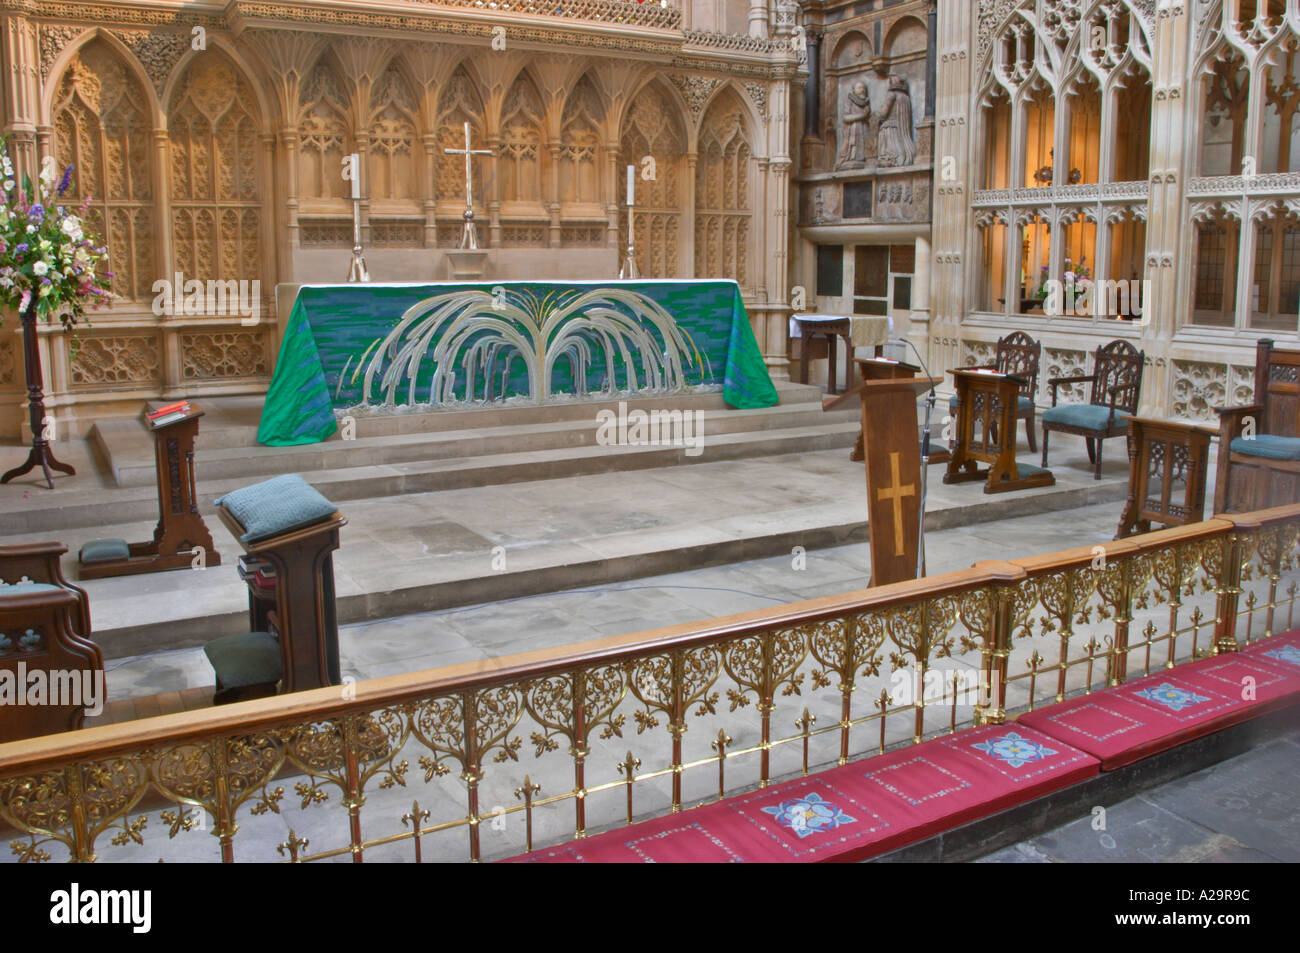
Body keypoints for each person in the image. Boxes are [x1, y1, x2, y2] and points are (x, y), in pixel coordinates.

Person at [877, 74, 916, 167]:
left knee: (889, 151)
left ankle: (889, 158)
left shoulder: (891, 94)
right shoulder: (906, 97)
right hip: (902, 130)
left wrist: (879, 114)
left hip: (890, 128)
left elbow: (883, 113)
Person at [836, 81, 871, 168]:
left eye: (864, 88)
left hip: (863, 129)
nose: (862, 90)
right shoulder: (849, 101)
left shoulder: (866, 103)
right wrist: (862, 115)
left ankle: (861, 160)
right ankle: (851, 159)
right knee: (852, 147)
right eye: (859, 88)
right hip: (852, 129)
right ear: (853, 90)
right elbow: (846, 117)